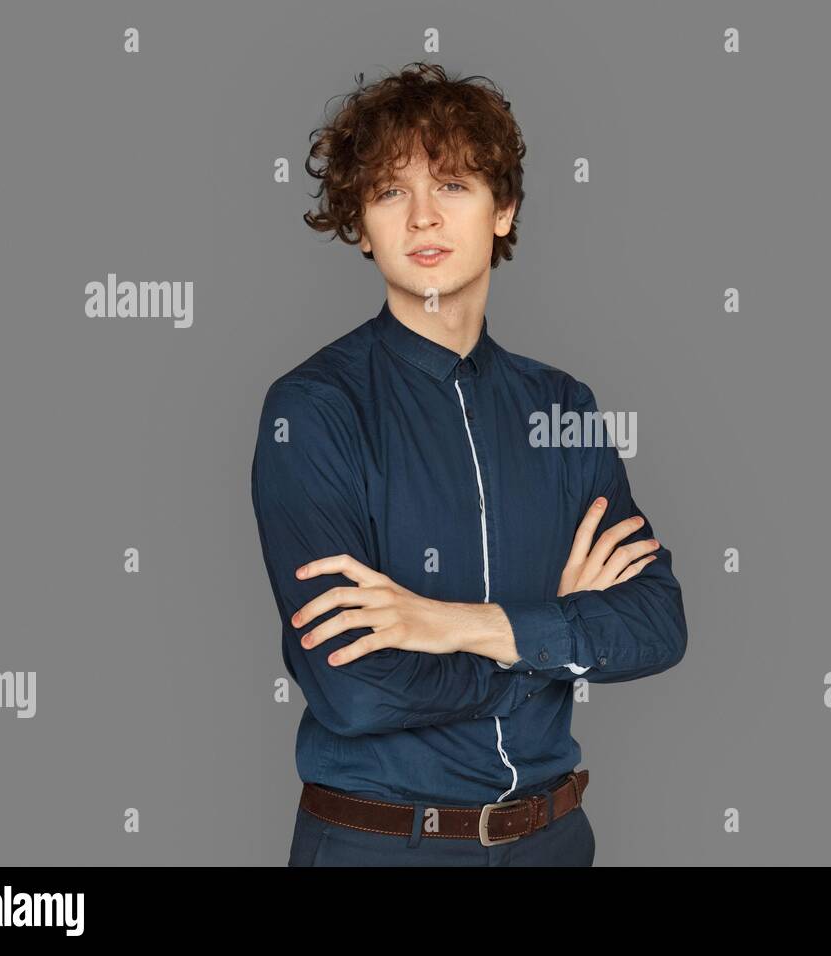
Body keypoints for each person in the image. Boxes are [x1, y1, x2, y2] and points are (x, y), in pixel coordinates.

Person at [250, 62, 688, 866]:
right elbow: (355, 689)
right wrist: (544, 643)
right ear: (360, 221)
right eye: (388, 192)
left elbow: (658, 624)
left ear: (503, 209)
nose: (421, 217)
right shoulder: (312, 412)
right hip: (382, 848)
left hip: (554, 842)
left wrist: (457, 625)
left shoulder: (564, 407)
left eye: (451, 185)